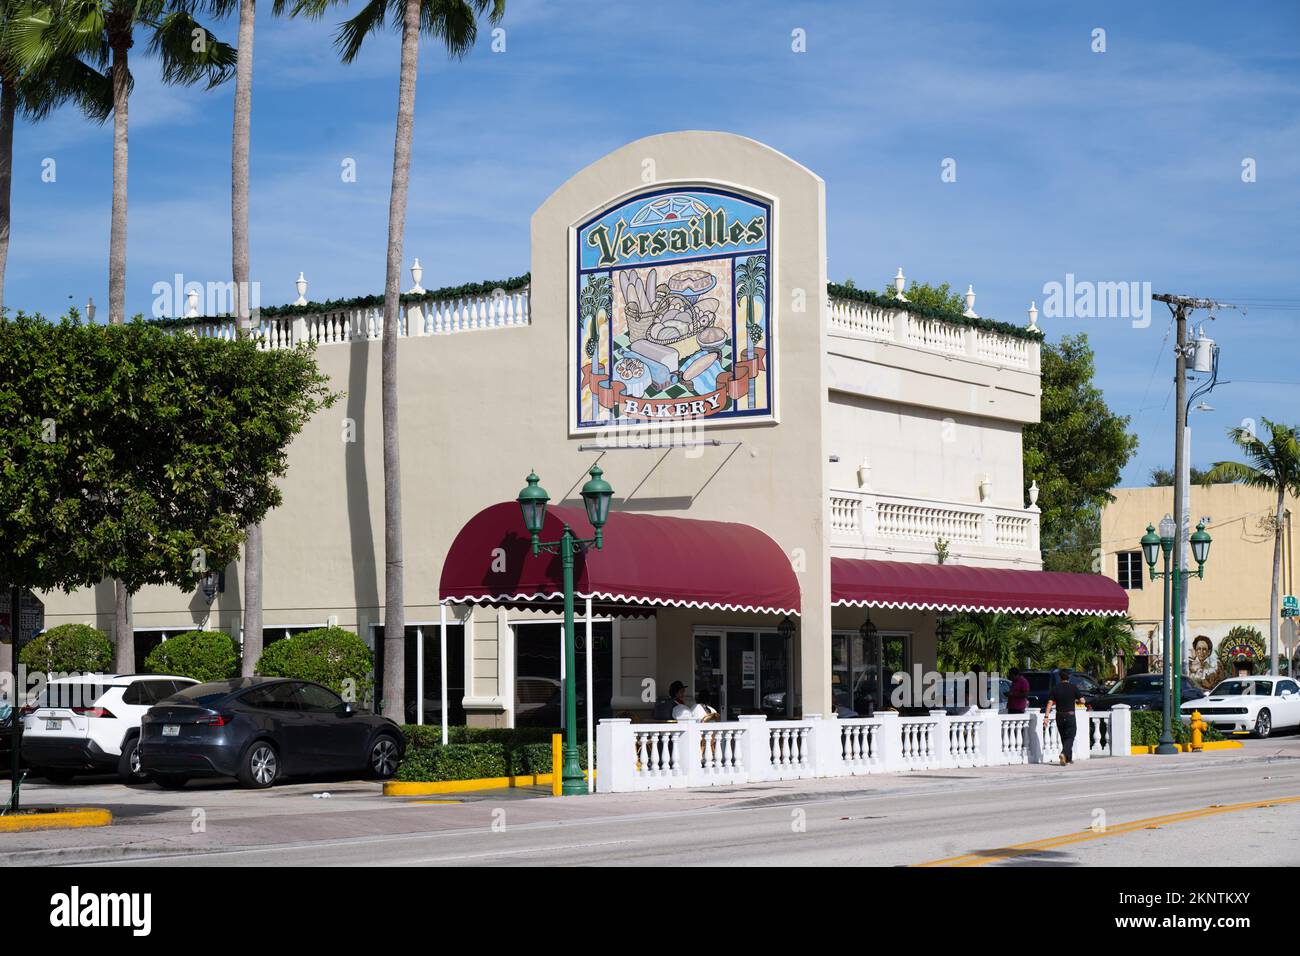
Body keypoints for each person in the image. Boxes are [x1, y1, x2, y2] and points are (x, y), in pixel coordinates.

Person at [1044, 669, 1080, 765]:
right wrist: (1077, 700)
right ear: (1069, 677)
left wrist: (1046, 717)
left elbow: (1050, 702)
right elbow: (1083, 700)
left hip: (1059, 715)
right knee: (1070, 736)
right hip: (1070, 715)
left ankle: (1068, 758)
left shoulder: (1055, 688)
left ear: (1060, 678)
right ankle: (1064, 753)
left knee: (1064, 737)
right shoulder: (1073, 687)